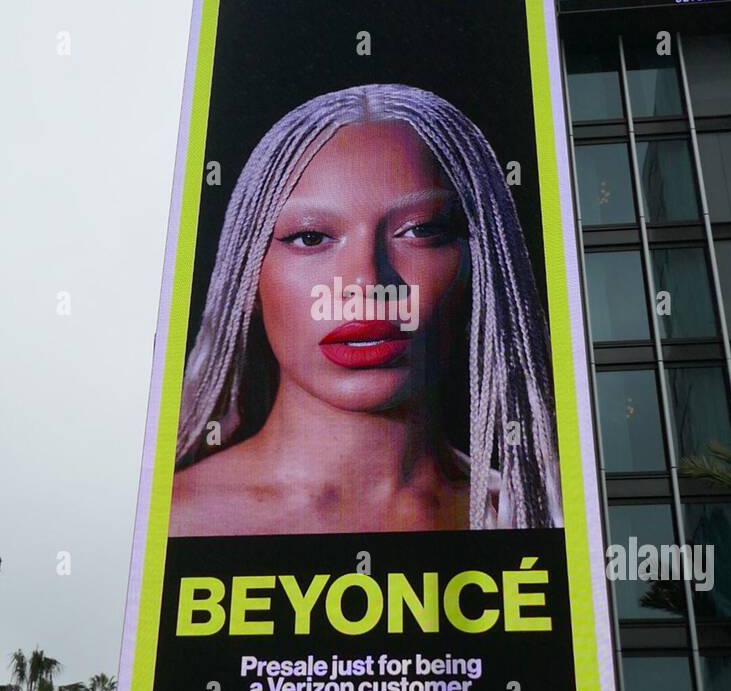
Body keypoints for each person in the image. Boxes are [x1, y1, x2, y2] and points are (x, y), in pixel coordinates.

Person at [169, 83, 562, 535]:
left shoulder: (537, 520)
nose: (366, 284)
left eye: (419, 231)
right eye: (311, 237)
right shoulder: (171, 525)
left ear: (482, 264)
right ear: (247, 278)